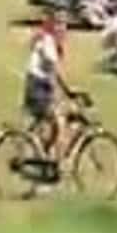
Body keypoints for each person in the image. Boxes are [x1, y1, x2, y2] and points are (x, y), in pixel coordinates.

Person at [24, 10, 74, 156]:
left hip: (40, 86)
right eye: (59, 24)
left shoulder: (52, 42)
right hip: (37, 88)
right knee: (59, 122)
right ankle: (46, 157)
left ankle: (45, 155)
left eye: (65, 24)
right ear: (52, 25)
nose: (63, 28)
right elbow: (54, 71)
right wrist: (62, 91)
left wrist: (67, 90)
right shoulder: (48, 42)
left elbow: (55, 74)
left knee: (54, 123)